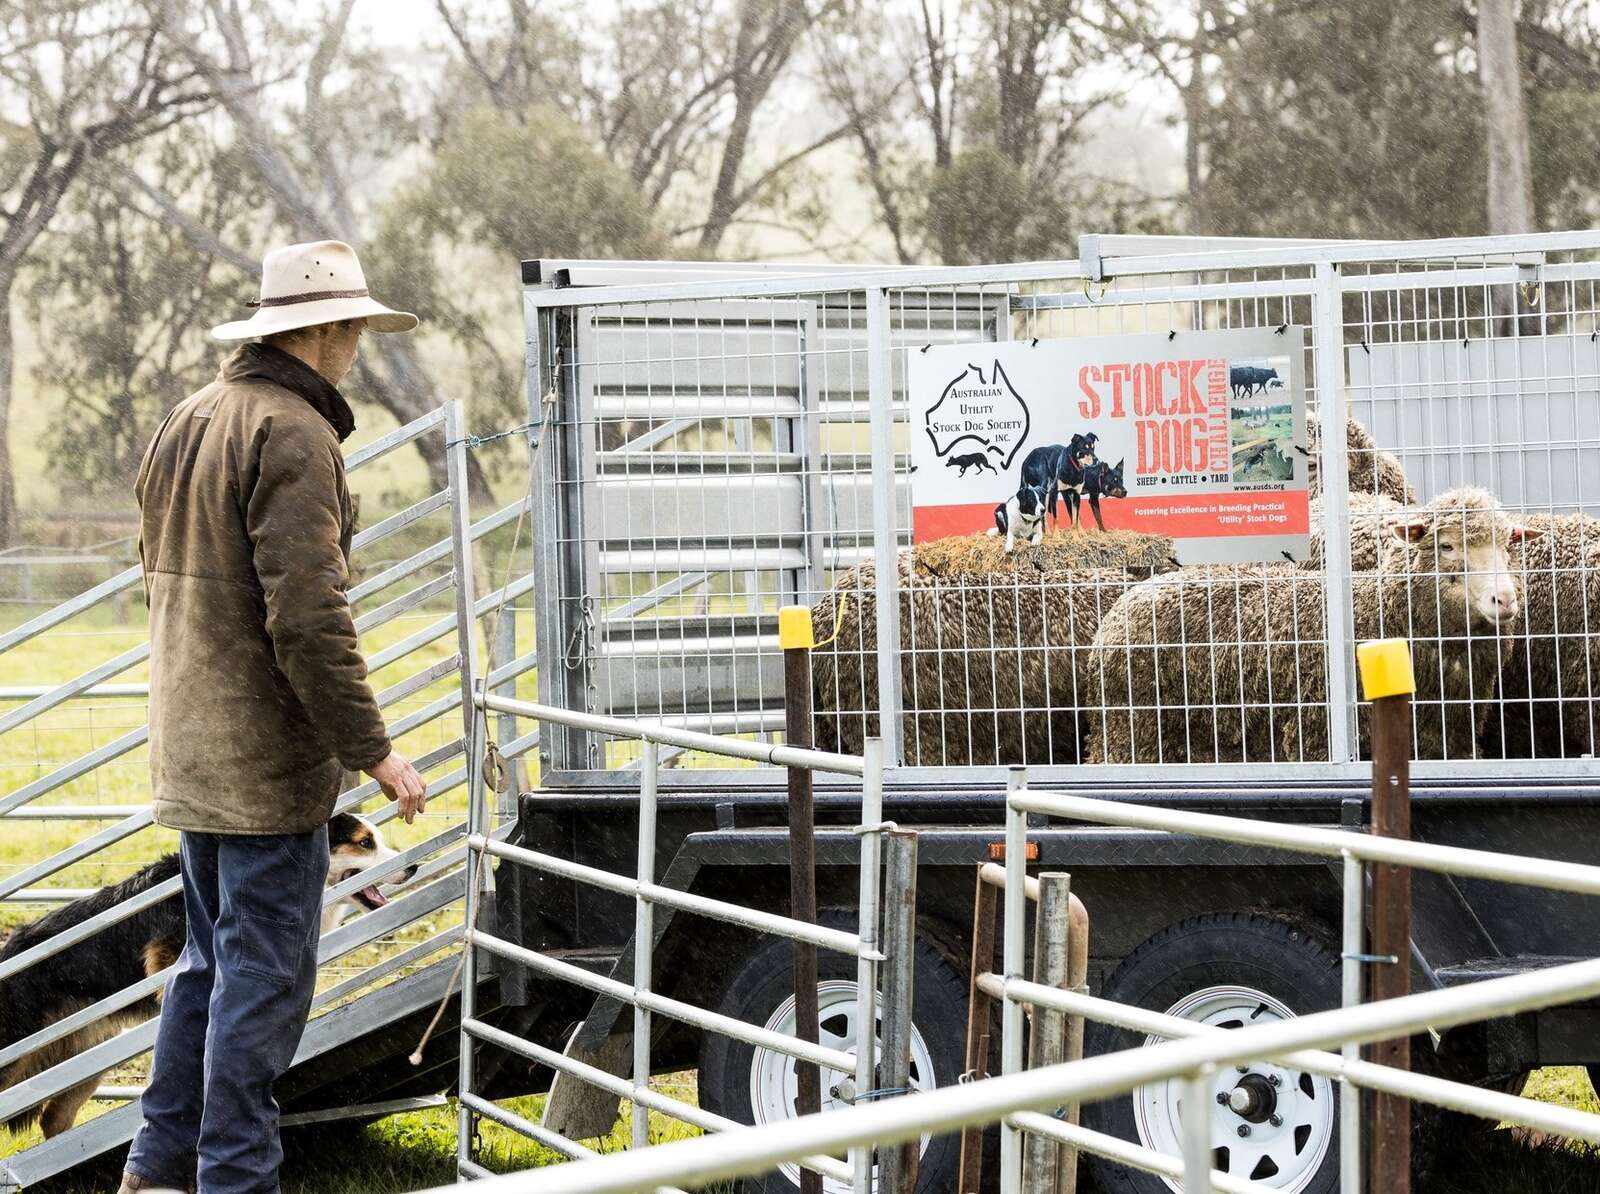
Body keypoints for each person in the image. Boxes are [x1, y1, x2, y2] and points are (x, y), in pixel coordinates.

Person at [120, 241, 428, 1194]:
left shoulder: (191, 416)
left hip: (194, 756)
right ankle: (235, 1182)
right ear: (325, 331)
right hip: (261, 773)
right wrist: (372, 750)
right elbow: (307, 615)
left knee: (209, 972)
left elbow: (156, 574)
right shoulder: (293, 434)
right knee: (264, 987)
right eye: (356, 332)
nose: (359, 350)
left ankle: (154, 1172)